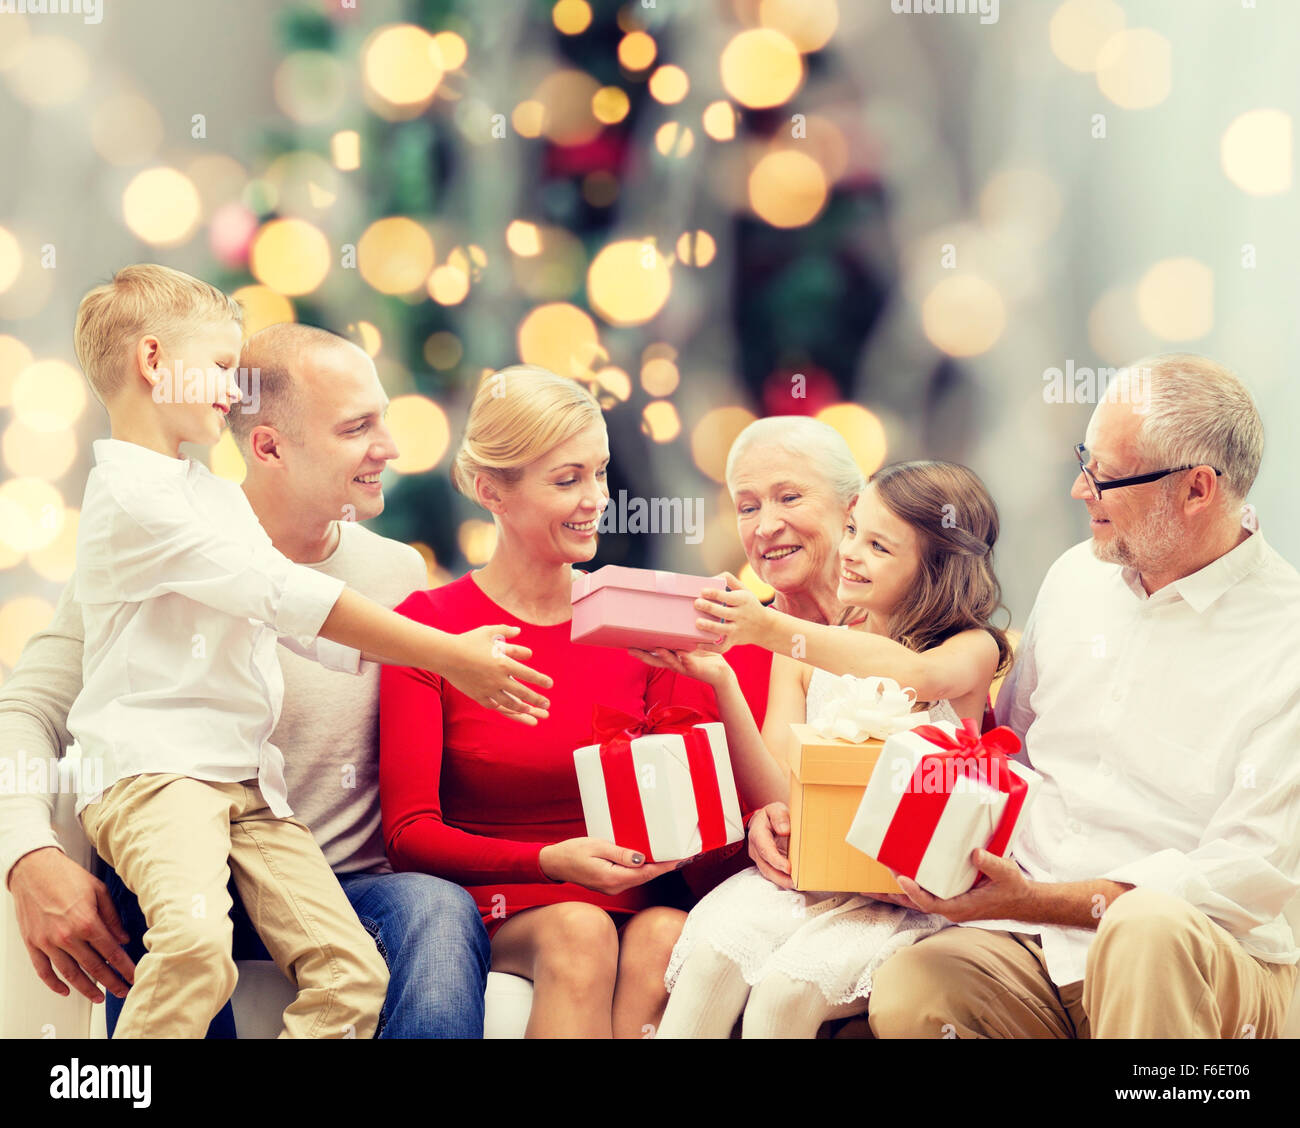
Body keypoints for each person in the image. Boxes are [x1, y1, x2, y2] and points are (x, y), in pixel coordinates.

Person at [5, 265, 552, 1038]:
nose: (390, 448)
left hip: (298, 853)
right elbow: (280, 598)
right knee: (186, 936)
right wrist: (27, 854)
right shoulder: (148, 522)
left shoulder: (384, 569)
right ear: (268, 446)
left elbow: (307, 635)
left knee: (423, 915)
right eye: (357, 427)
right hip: (172, 835)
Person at [854, 355, 1300, 1038]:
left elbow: (1240, 880)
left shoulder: (1286, 636)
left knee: (1145, 927)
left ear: (1197, 490)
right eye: (1083, 460)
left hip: (1208, 957)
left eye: (1105, 475)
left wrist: (1043, 900)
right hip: (1036, 941)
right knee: (916, 986)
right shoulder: (1075, 579)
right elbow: (1010, 752)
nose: (1077, 489)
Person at [380, 365, 724, 1038]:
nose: (595, 498)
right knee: (579, 930)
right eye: (567, 480)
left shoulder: (637, 616)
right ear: (491, 491)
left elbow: (684, 791)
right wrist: (546, 862)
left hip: (633, 891)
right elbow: (407, 835)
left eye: (598, 473)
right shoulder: (429, 628)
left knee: (665, 937)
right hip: (511, 899)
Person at [642, 461, 1010, 1037]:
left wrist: (766, 627)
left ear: (935, 569)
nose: (852, 552)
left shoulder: (967, 650)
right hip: (809, 881)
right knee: (712, 962)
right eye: (852, 531)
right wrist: (724, 681)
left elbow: (917, 677)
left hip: (900, 898)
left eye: (879, 546)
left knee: (785, 996)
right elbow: (779, 790)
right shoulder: (803, 648)